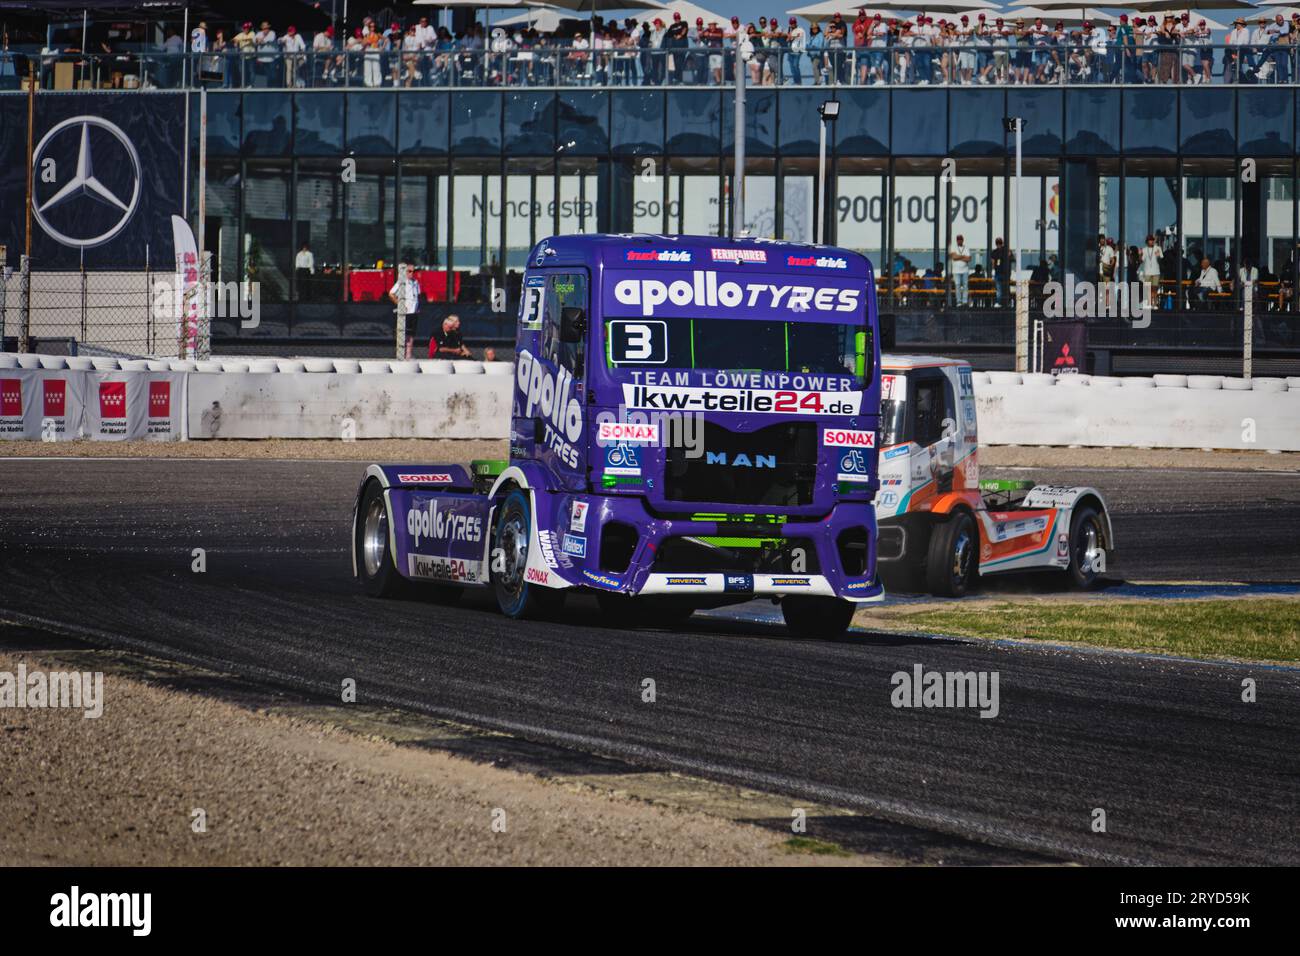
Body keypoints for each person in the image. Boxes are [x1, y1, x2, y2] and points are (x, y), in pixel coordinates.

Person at [948, 234, 971, 306]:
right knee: (957, 285)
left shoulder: (966, 248)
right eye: (958, 239)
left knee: (965, 286)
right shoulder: (953, 247)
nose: (959, 241)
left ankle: (964, 301)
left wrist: (959, 257)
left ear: (962, 240)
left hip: (965, 270)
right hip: (956, 271)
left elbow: (969, 259)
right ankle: (959, 301)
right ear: (956, 240)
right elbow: (953, 257)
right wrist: (963, 256)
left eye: (960, 239)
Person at [990, 237, 1008, 306]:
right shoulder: (1005, 251)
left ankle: (999, 302)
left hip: (998, 272)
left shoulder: (994, 252)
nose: (998, 245)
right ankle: (1003, 303)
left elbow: (993, 263)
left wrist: (994, 268)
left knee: (999, 289)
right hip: (1004, 273)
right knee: (1004, 289)